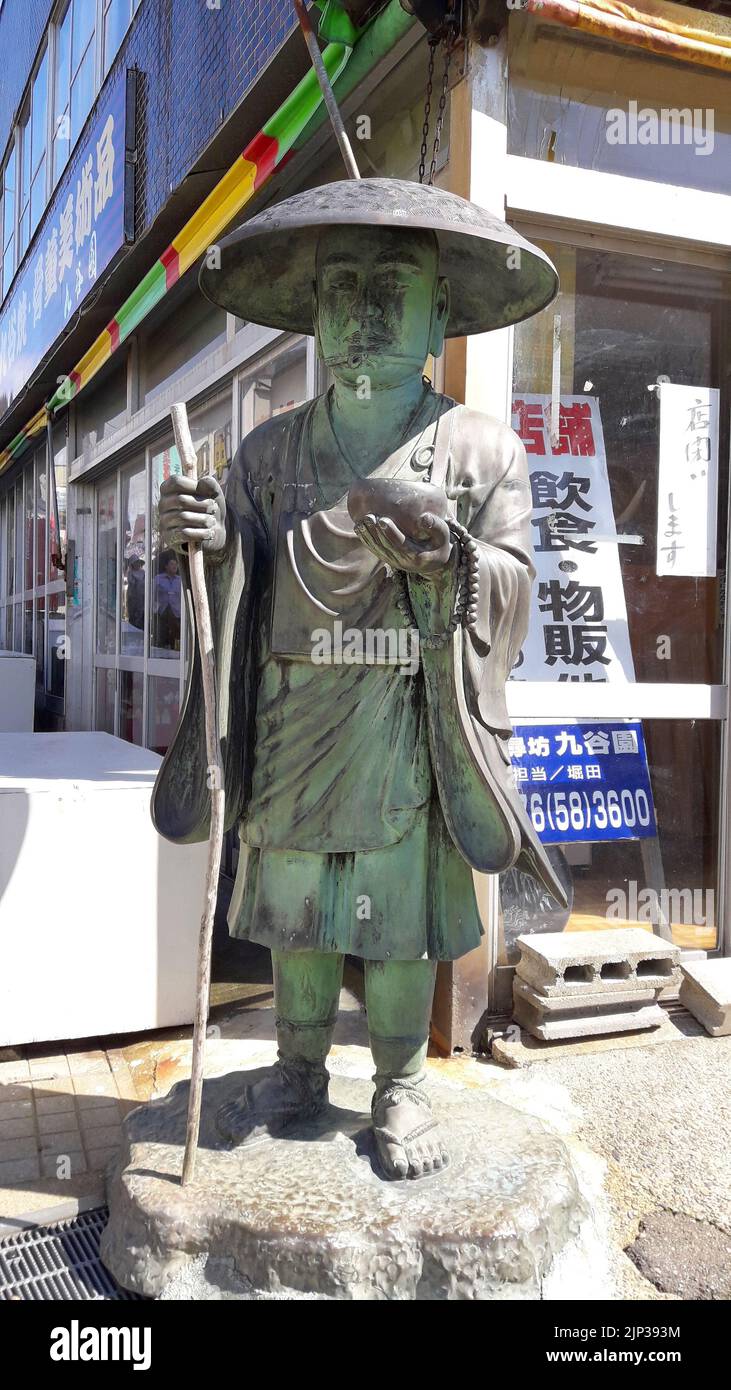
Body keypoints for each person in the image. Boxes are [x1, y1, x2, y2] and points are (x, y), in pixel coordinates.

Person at [153, 178, 564, 1180]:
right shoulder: (265, 451)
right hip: (294, 713)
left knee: (393, 917)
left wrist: (450, 558)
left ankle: (398, 1084)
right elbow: (230, 583)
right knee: (295, 909)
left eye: (393, 288)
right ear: (314, 313)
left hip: (406, 720)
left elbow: (512, 592)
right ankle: (294, 1070)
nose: (364, 313)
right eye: (340, 289)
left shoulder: (478, 447)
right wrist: (201, 546)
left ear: (438, 312)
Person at [152, 550, 181, 650]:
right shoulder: (158, 579)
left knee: (176, 637)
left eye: (176, 564)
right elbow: (152, 595)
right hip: (162, 612)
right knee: (162, 637)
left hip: (176, 613)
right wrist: (154, 609)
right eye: (172, 564)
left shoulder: (180, 580)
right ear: (166, 566)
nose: (174, 566)